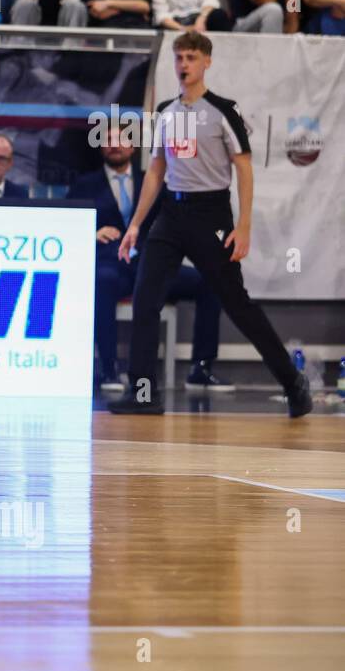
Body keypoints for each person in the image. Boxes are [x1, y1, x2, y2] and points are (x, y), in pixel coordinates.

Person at [109, 31, 312, 417]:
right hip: (171, 215)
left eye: (190, 57)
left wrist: (245, 225)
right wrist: (136, 224)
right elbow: (156, 169)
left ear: (207, 62)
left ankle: (291, 381)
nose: (183, 65)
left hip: (211, 215)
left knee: (236, 304)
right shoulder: (167, 111)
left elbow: (244, 168)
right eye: (179, 58)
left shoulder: (222, 110)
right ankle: (143, 392)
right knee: (145, 298)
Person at [67, 119, 226, 392]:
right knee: (101, 282)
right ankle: (108, 369)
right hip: (111, 265)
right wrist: (92, 232)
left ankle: (201, 367)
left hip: (150, 265)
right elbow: (67, 226)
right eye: (108, 140)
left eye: (122, 139)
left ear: (133, 147)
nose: (115, 145)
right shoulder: (84, 184)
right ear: (100, 147)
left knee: (209, 280)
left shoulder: (153, 181)